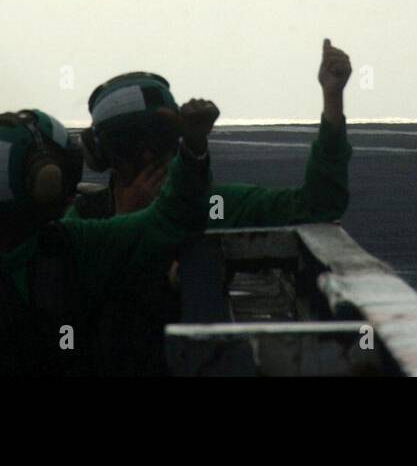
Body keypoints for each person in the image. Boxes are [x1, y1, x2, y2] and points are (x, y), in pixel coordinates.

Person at [71, 38, 353, 374]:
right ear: (104, 156)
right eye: (129, 146)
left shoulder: (214, 205)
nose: (148, 158)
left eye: (158, 143)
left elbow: (317, 205)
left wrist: (332, 99)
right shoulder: (85, 219)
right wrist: (126, 224)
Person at [0, 107, 211, 376]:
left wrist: (193, 152)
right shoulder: (70, 247)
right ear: (46, 182)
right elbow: (168, 220)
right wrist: (191, 151)